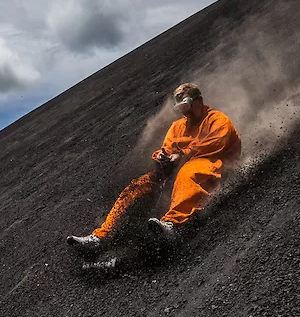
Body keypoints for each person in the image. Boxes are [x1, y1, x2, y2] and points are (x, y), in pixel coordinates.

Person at [67, 82, 242, 256]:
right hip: (180, 166)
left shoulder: (217, 119)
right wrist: (161, 157)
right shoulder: (177, 127)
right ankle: (100, 237)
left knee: (188, 173)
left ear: (199, 100)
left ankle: (173, 225)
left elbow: (216, 144)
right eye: (181, 108)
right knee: (138, 185)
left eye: (187, 105)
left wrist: (183, 154)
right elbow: (167, 149)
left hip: (213, 162)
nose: (185, 112)